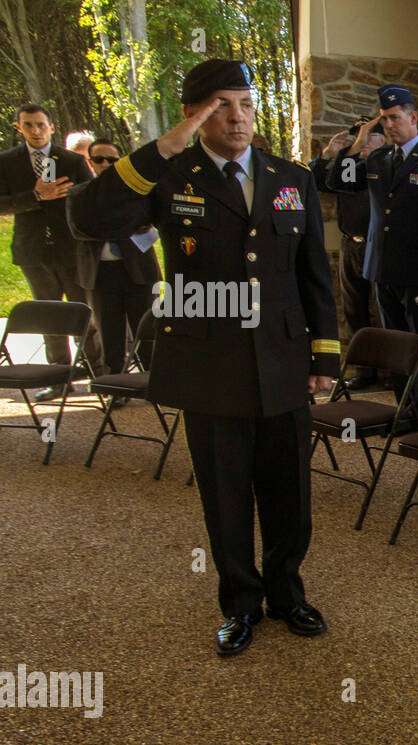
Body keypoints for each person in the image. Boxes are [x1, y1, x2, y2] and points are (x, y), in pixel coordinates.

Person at [68, 58, 342, 657]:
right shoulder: (170, 174)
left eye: (245, 105)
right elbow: (88, 218)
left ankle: (287, 593)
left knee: (289, 489)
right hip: (208, 361)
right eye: (222, 106)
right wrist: (164, 146)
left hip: (282, 358)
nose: (239, 118)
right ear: (196, 114)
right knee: (224, 491)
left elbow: (313, 275)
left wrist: (324, 355)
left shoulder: (290, 176)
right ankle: (240, 605)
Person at [327, 85, 418, 431]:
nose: (389, 125)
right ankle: (405, 409)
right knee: (395, 345)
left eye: (394, 118)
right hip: (383, 268)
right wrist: (359, 141)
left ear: (413, 117)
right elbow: (335, 180)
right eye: (384, 119)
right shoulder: (377, 159)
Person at [0, 103, 103, 395]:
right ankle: (59, 381)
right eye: (28, 125)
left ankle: (98, 377)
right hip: (33, 252)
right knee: (50, 317)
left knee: (85, 315)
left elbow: (90, 201)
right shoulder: (6, 162)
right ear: (18, 127)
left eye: (40, 125)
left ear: (51, 127)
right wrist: (35, 195)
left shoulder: (70, 160)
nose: (35, 130)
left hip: (71, 250)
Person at [70, 139, 160, 379]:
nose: (106, 164)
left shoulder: (140, 192)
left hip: (138, 271)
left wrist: (101, 225)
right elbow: (78, 230)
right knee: (109, 332)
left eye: (112, 160)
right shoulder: (79, 193)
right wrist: (121, 226)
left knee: (146, 329)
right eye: (99, 159)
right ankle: (114, 384)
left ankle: (151, 379)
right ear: (90, 163)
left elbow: (146, 225)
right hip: (99, 274)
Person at [311, 116, 385, 391]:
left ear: (382, 139)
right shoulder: (347, 167)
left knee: (383, 310)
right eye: (358, 136)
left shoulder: (385, 164)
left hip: (378, 246)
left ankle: (393, 370)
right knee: (355, 312)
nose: (362, 141)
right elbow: (318, 182)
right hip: (350, 245)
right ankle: (364, 370)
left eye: (368, 135)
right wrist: (329, 154)